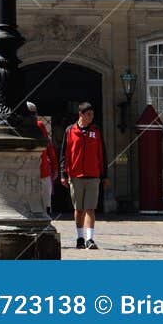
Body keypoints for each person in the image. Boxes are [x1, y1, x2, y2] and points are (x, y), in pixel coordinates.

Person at [63, 102, 106, 250]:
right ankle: (80, 237)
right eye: (88, 114)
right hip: (76, 176)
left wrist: (104, 175)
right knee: (78, 209)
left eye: (92, 114)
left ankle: (90, 239)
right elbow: (65, 153)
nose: (91, 117)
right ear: (81, 114)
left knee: (90, 209)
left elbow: (102, 153)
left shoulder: (96, 130)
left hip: (93, 175)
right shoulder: (70, 130)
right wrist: (63, 173)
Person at [30, 102, 57, 217]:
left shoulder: (39, 125)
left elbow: (48, 147)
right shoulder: (36, 125)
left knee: (43, 204)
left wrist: (55, 168)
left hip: (41, 171)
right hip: (33, 172)